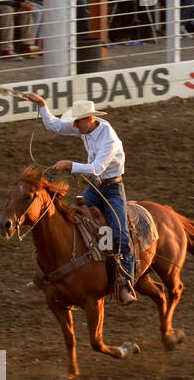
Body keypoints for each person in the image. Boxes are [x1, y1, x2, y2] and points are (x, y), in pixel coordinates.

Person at [20, 93, 136, 306]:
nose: (74, 124)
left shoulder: (108, 138)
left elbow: (97, 168)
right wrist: (42, 105)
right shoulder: (84, 127)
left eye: (78, 120)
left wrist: (69, 164)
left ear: (89, 119)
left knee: (121, 235)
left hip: (112, 189)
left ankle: (124, 284)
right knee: (67, 219)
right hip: (96, 186)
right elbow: (55, 125)